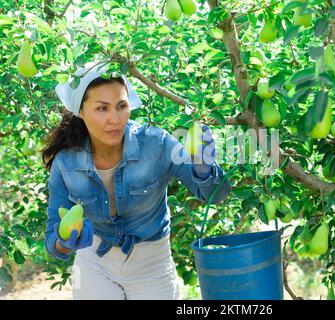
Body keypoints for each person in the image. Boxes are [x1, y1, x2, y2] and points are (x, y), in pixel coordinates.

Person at [41, 62, 231, 300]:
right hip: (94, 260)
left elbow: (216, 194)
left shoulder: (158, 144)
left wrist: (204, 170)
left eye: (121, 106)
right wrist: (65, 243)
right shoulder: (65, 164)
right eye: (102, 109)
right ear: (81, 111)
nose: (115, 119)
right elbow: (52, 240)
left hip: (151, 262)